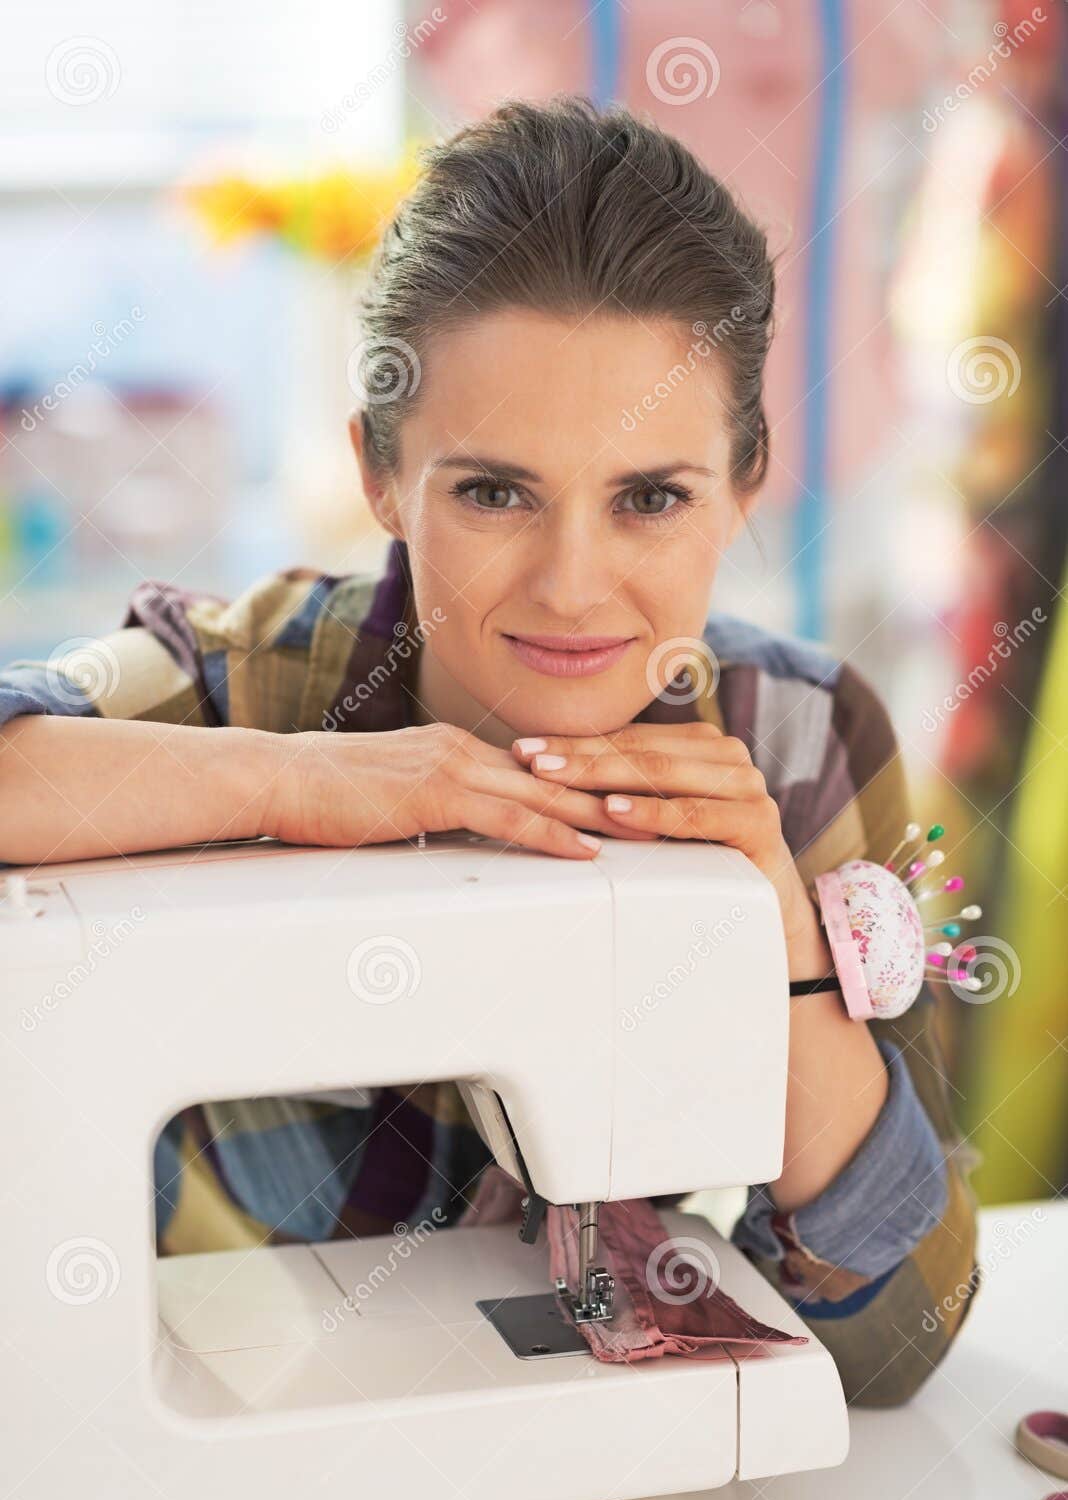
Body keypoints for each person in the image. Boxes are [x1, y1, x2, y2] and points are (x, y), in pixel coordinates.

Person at [0, 96, 977, 1405]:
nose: (571, 586)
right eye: (494, 492)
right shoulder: (244, 684)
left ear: (745, 484)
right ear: (380, 475)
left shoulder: (805, 742)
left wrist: (788, 943)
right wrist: (291, 779)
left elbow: (898, 1345)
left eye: (651, 497)